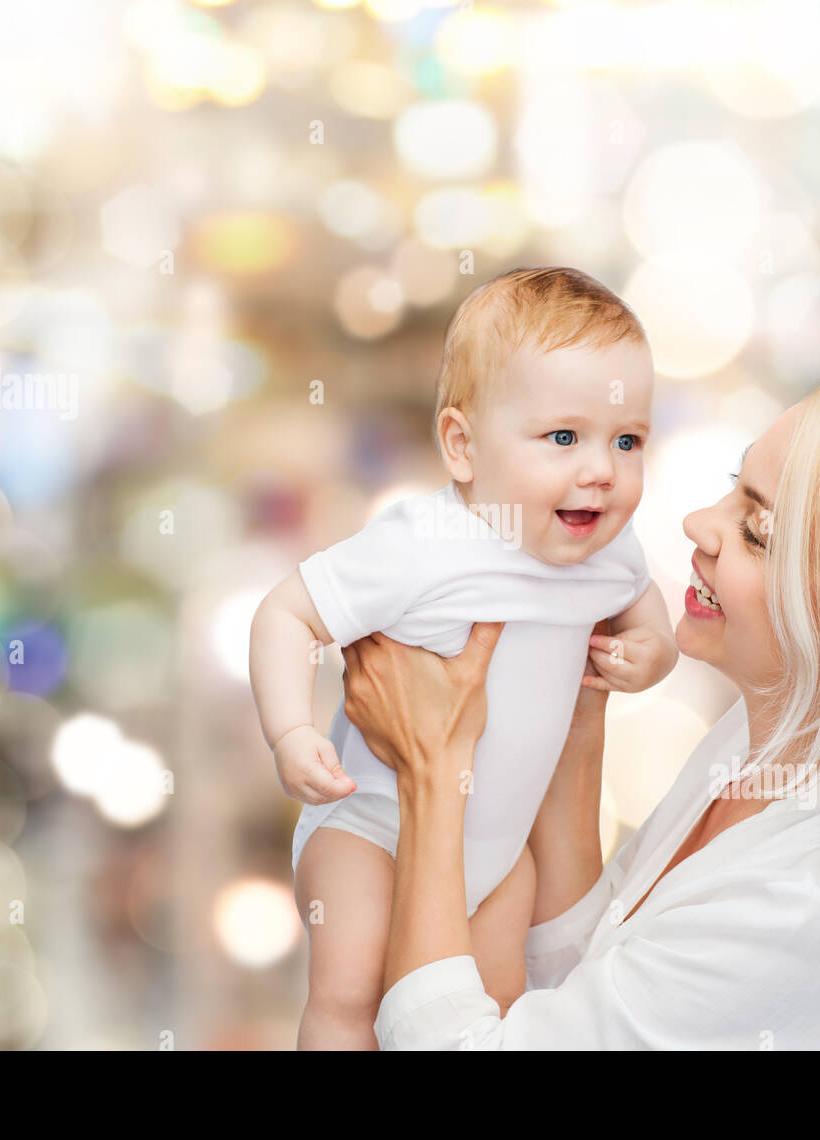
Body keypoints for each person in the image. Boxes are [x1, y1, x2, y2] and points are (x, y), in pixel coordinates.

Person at [338, 373, 820, 1049]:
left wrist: (433, 770)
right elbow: (600, 979)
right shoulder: (787, 734)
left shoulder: (804, 908)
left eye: (757, 532)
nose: (697, 524)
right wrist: (579, 713)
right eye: (732, 489)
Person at [248, 268, 678, 1049]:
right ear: (462, 447)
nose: (601, 470)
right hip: (373, 827)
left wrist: (650, 656)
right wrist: (289, 732)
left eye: (627, 440)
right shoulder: (424, 544)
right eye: (563, 438)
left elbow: (648, 616)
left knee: (494, 1007)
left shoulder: (609, 553)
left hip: (500, 854)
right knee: (351, 993)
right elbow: (287, 612)